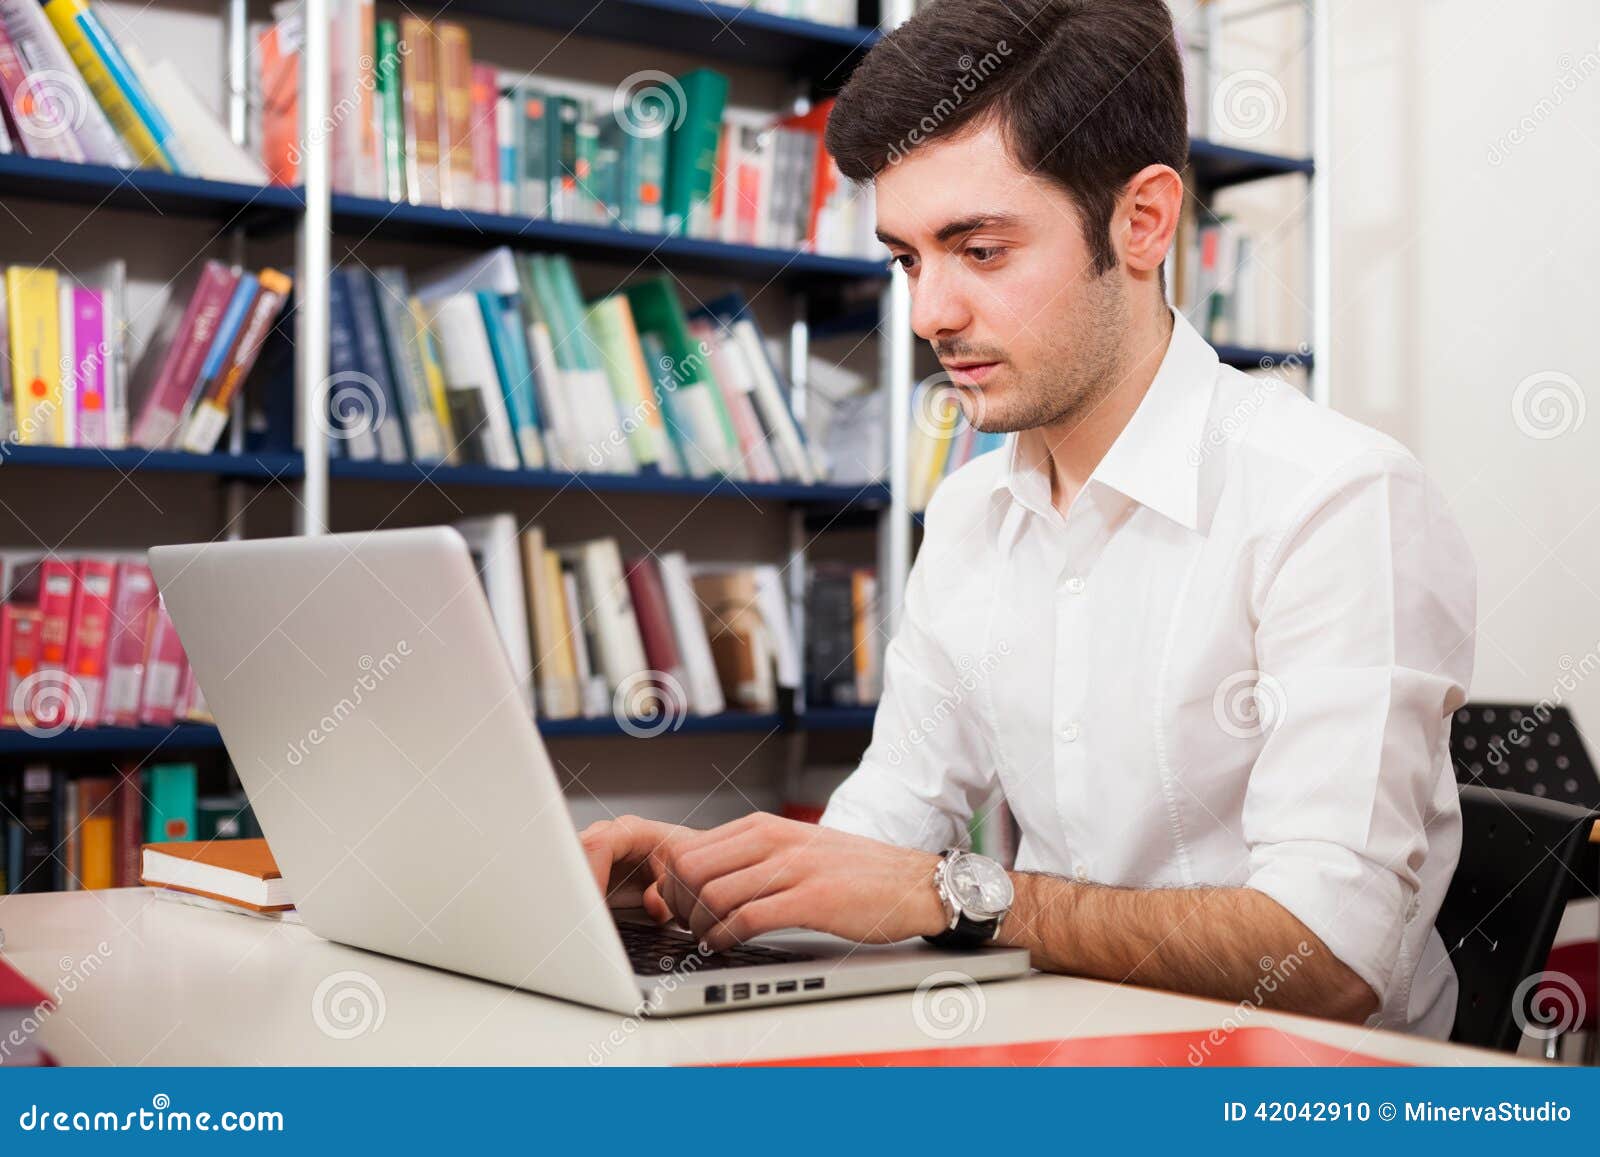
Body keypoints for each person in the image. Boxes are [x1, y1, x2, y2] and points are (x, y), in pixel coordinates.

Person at [581, 0, 1475, 1036]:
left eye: (982, 250)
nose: (928, 314)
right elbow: (883, 829)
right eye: (909, 258)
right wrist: (717, 874)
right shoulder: (969, 511)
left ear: (1141, 221)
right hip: (1061, 1058)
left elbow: (1326, 955)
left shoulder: (1336, 498)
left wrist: (950, 894)